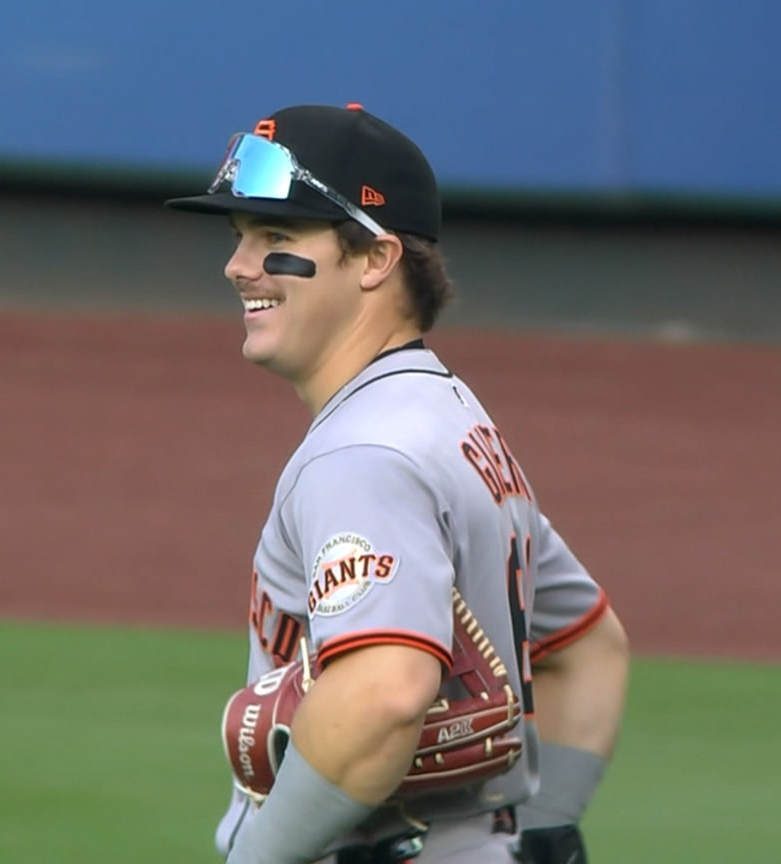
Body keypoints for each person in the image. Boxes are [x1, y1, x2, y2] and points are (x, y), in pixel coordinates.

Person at [166, 103, 631, 864]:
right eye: (239, 237)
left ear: (376, 259)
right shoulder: (455, 423)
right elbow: (588, 646)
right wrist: (547, 830)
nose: (238, 265)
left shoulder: (363, 455)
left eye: (276, 238)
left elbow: (385, 697)